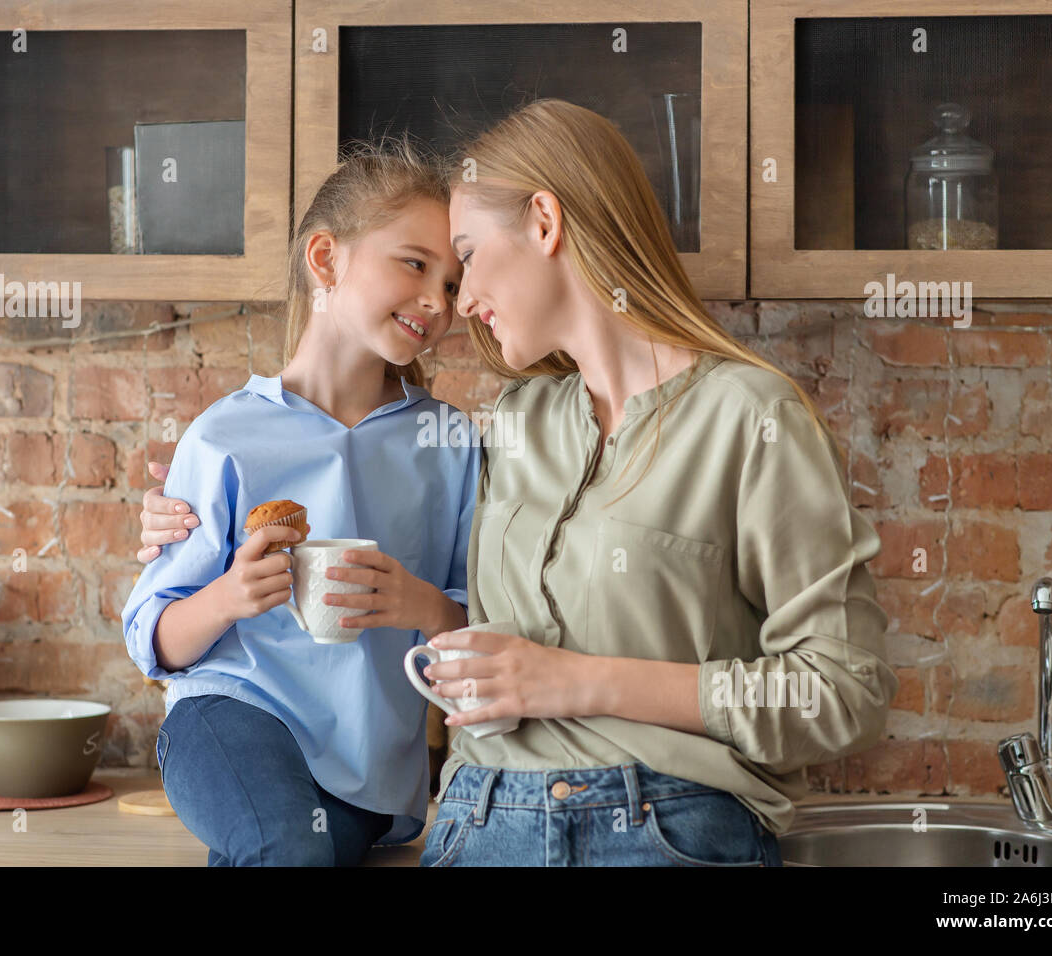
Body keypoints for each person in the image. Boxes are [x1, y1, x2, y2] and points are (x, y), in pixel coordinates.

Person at [139, 99, 898, 867]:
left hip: (664, 824)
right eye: (430, 266)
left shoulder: (748, 418)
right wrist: (188, 522)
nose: (456, 303)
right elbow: (386, 521)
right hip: (478, 822)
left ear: (544, 222)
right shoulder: (510, 428)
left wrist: (579, 682)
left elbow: (843, 693)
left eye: (466, 258)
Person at [121, 136, 478, 866]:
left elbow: (485, 625)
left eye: (452, 283)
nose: (436, 302)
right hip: (229, 718)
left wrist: (422, 605)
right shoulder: (223, 436)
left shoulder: (451, 444)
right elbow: (154, 640)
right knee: (286, 845)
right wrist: (226, 597)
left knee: (292, 853)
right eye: (414, 264)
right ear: (326, 259)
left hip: (364, 771)